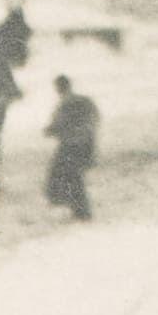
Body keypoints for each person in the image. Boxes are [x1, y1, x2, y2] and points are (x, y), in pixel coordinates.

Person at [44, 74, 99, 220]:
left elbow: (58, 125)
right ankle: (79, 210)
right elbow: (94, 119)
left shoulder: (65, 104)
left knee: (69, 177)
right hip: (86, 143)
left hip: (70, 145)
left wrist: (50, 130)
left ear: (59, 88)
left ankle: (81, 212)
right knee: (74, 177)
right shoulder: (83, 101)